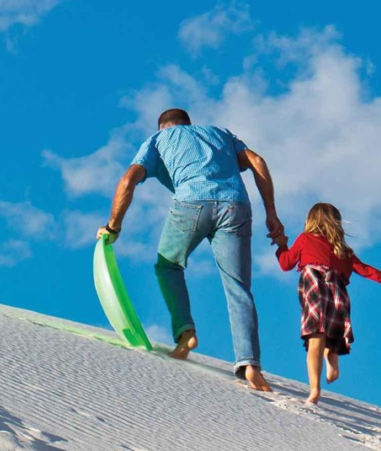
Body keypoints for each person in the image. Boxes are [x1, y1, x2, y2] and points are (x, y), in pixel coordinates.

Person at [96, 108, 284, 391]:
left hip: (191, 203)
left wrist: (113, 226)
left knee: (168, 265)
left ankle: (185, 331)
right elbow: (256, 160)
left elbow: (128, 180)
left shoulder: (158, 140)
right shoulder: (220, 134)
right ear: (189, 124)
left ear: (163, 127)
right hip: (236, 206)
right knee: (238, 287)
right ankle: (251, 365)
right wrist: (272, 213)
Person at [275, 203, 381, 404]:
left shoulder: (305, 239)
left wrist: (281, 245)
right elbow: (365, 269)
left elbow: (285, 264)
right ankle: (332, 358)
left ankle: (315, 389)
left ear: (311, 221)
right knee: (332, 336)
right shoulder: (343, 251)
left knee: (315, 340)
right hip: (337, 294)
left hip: (315, 291)